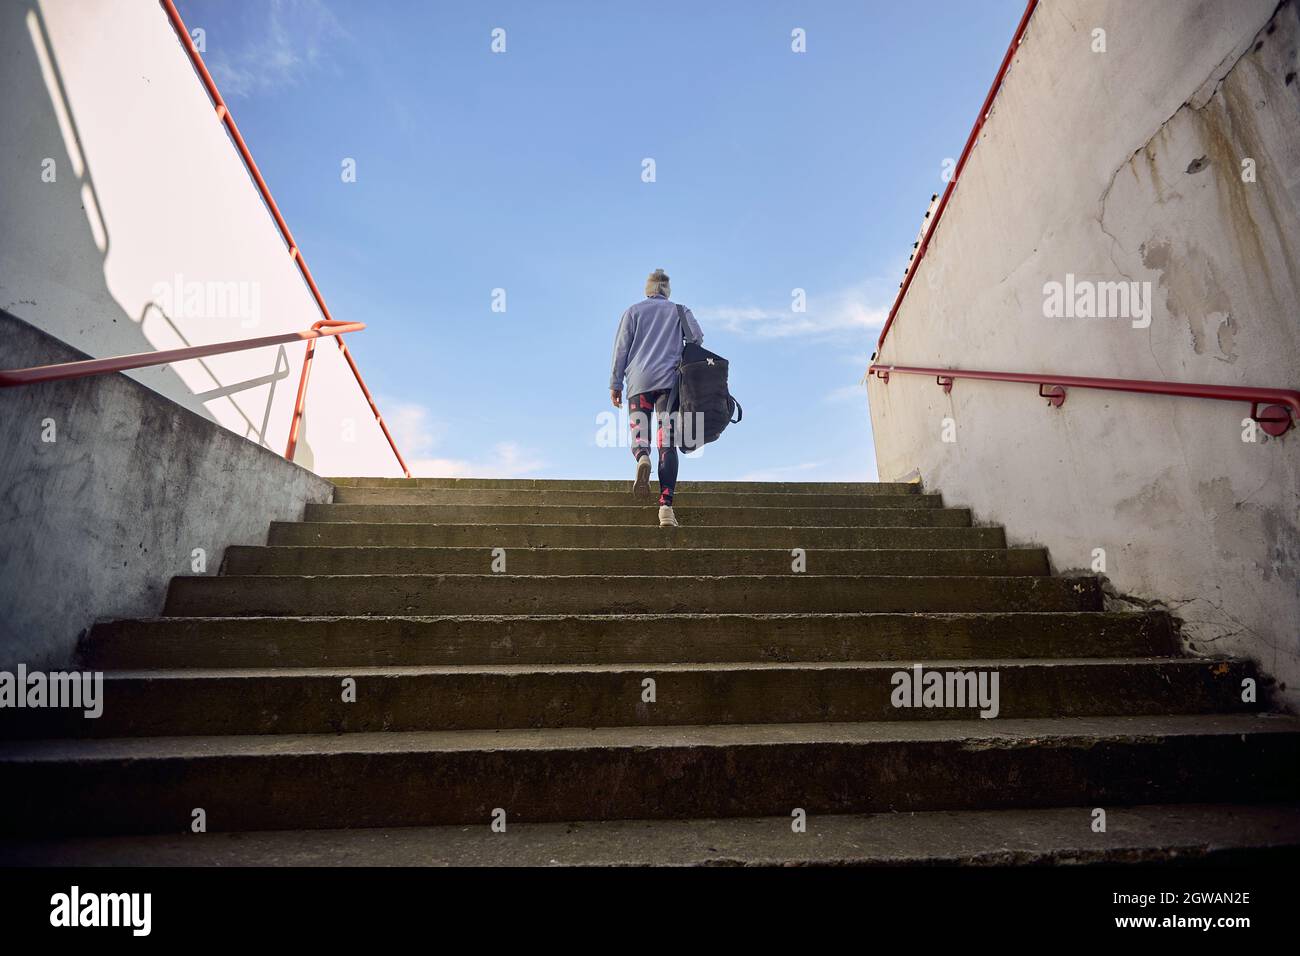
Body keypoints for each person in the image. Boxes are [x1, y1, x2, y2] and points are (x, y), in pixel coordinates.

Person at [608, 268, 704, 527]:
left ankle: (642, 457)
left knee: (641, 434)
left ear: (647, 290)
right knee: (667, 443)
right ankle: (666, 509)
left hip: (638, 384)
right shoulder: (679, 310)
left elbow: (621, 350)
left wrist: (615, 384)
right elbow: (697, 338)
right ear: (667, 291)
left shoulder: (633, 312)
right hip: (669, 386)